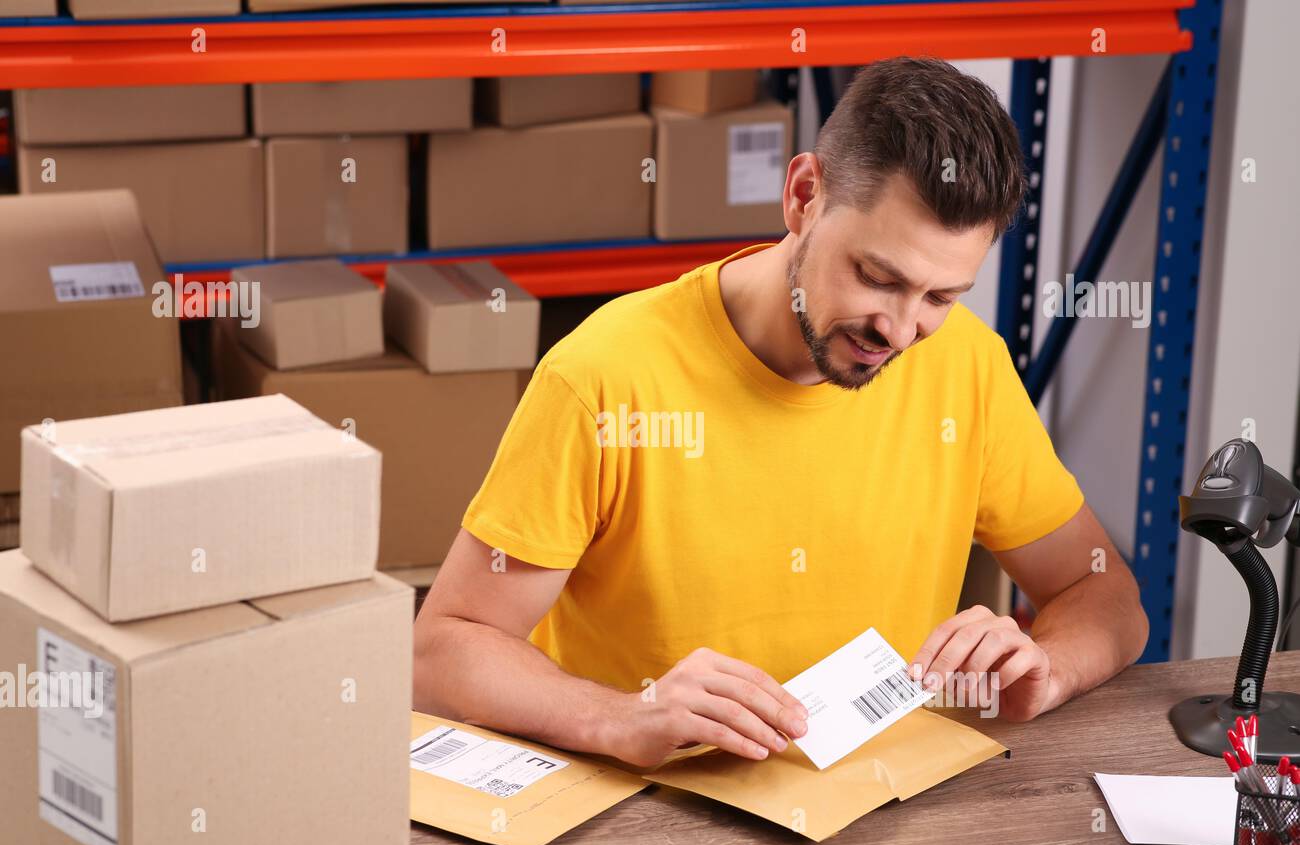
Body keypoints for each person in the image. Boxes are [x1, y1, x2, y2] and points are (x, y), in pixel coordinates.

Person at [413, 57, 1148, 770]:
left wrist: (1046, 668)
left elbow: (1103, 592)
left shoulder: (969, 368)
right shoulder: (605, 378)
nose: (897, 329)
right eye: (876, 276)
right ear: (803, 195)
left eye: (939, 298)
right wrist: (619, 715)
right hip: (653, 819)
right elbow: (441, 652)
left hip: (876, 807)